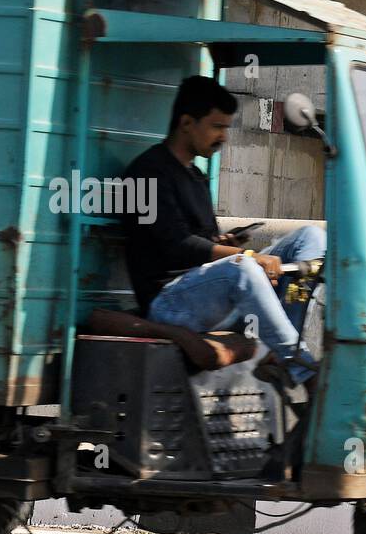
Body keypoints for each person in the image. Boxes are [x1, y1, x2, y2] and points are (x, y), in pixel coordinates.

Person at [121, 75, 326, 388]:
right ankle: (300, 367)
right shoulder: (146, 174)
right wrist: (247, 256)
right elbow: (177, 246)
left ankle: (284, 352)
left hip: (207, 295)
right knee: (243, 270)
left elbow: (201, 245)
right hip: (170, 305)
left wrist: (226, 244)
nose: (224, 137)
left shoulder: (197, 177)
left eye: (227, 127)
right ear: (187, 123)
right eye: (217, 127)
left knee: (310, 238)